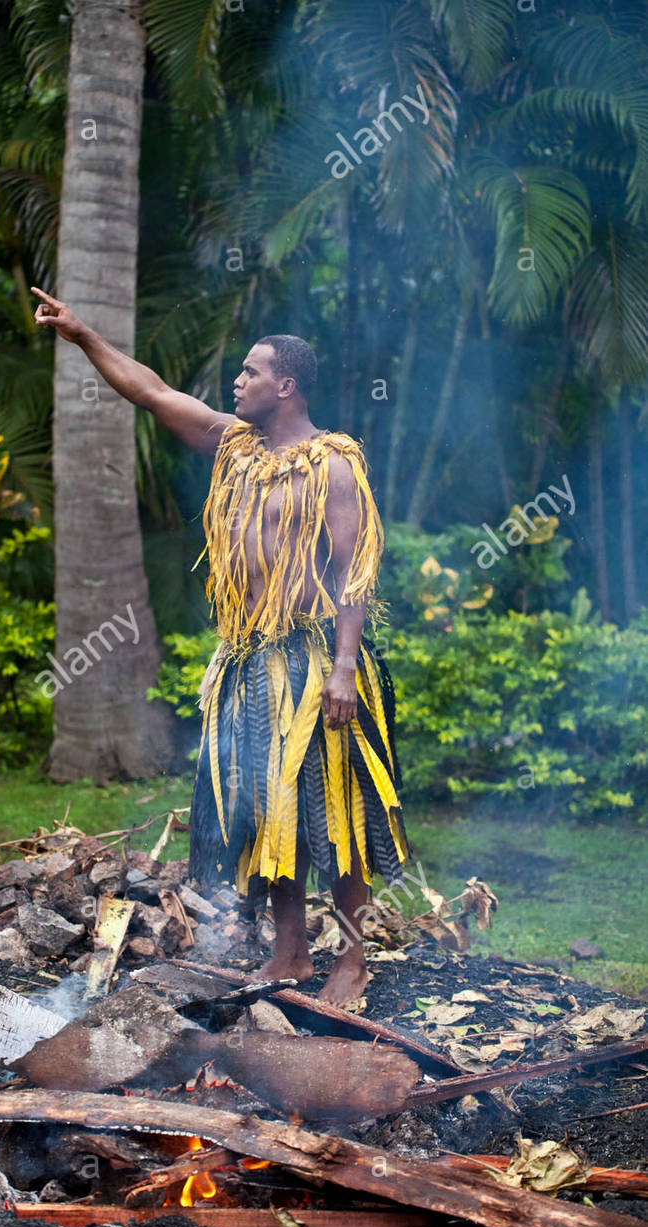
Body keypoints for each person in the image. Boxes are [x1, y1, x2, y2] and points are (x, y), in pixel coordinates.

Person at [32, 285, 410, 1005]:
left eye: (250, 372)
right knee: (268, 814)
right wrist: (82, 335)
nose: (236, 382)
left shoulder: (332, 462)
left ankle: (353, 960)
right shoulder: (231, 446)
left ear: (286, 385)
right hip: (249, 660)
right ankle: (291, 952)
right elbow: (149, 390)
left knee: (338, 815)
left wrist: (344, 667)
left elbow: (352, 571)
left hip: (316, 657)